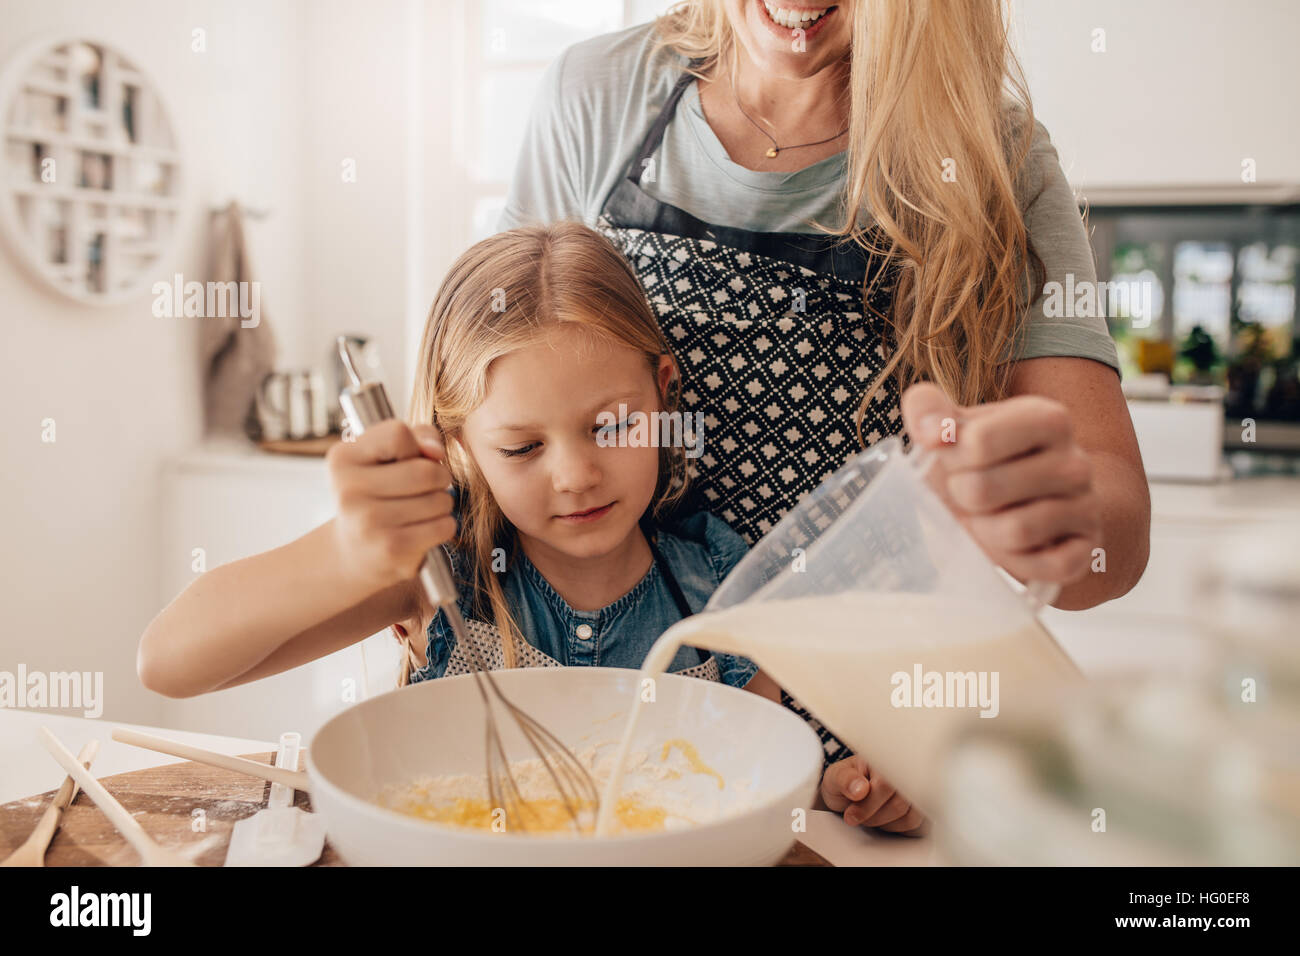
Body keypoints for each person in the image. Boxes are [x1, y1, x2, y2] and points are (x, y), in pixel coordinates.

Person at [496, 0, 1152, 836]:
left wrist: (1035, 515)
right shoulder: (600, 95)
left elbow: (1115, 539)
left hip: (870, 769)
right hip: (622, 727)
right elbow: (490, 386)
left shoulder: (993, 156)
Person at [137, 222, 777, 713]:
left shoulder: (725, 586)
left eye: (611, 426)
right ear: (457, 444)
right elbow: (167, 664)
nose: (576, 476)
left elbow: (760, 771)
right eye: (522, 448)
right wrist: (346, 554)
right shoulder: (437, 573)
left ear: (663, 390)